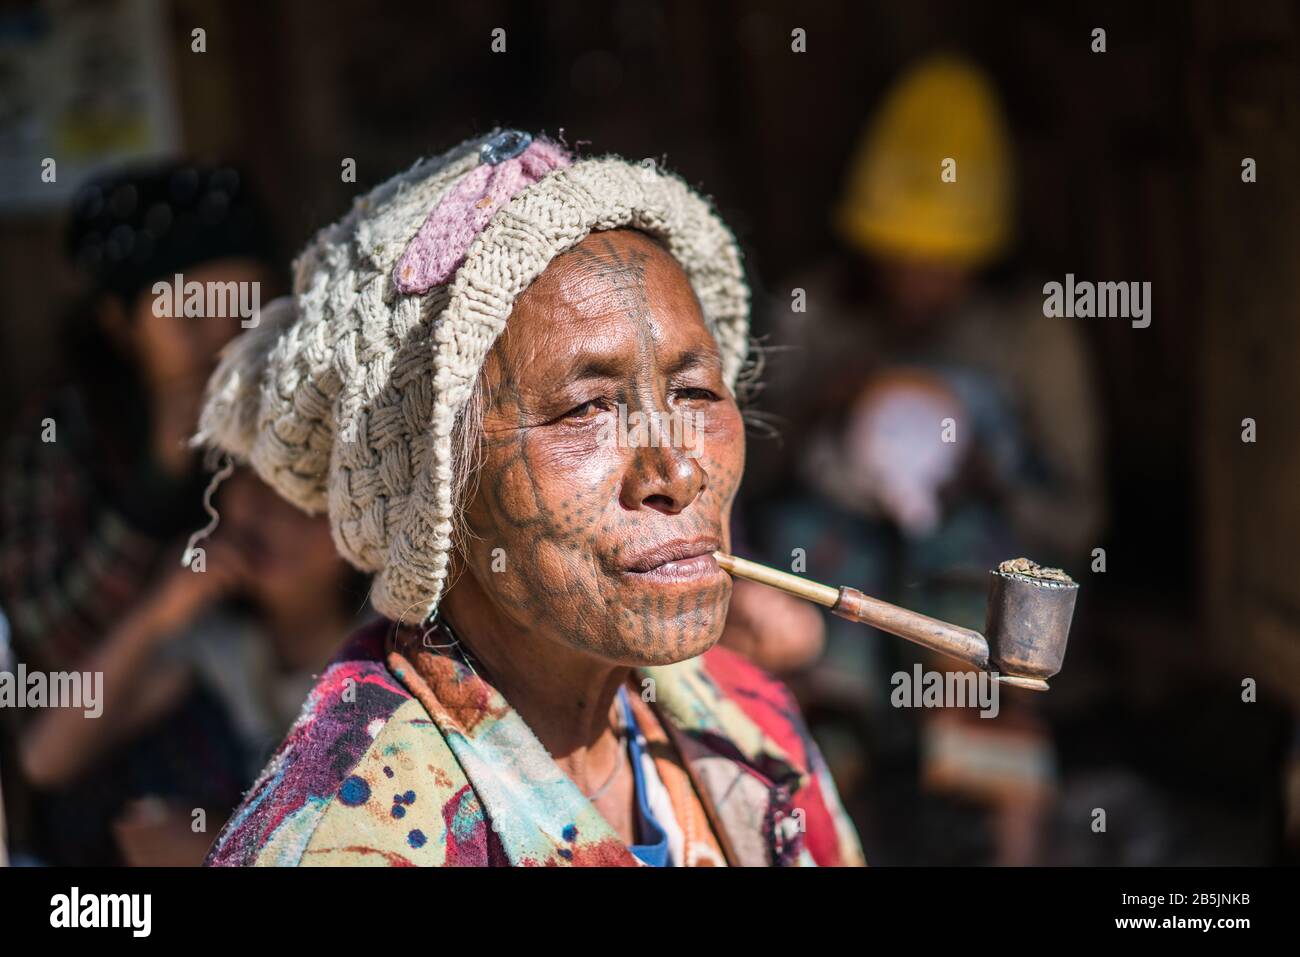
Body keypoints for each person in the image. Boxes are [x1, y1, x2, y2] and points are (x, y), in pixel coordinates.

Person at [199, 130, 865, 867]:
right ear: (439, 493)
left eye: (696, 391)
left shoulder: (745, 722)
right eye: (586, 410)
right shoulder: (351, 838)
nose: (677, 471)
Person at [753, 55, 1105, 864]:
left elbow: (1081, 515)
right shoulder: (817, 315)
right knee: (813, 649)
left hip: (966, 583)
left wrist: (991, 474)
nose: (916, 279)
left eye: (940, 260)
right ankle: (831, 823)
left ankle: (1013, 840)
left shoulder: (1032, 334)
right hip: (839, 570)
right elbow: (749, 473)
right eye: (899, 254)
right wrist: (820, 412)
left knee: (974, 638)